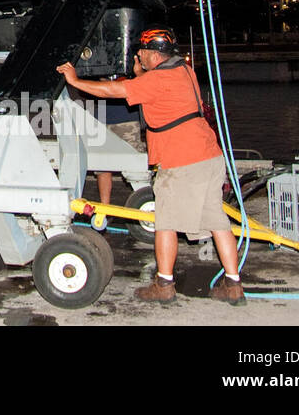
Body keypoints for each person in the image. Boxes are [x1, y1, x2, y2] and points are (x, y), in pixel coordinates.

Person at [58, 27, 244, 305]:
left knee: (165, 223)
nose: (138, 56)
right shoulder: (183, 71)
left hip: (182, 160)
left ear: (153, 54)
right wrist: (140, 73)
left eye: (141, 53)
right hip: (208, 155)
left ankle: (164, 284)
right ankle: (233, 284)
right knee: (217, 221)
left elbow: (114, 89)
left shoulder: (156, 80)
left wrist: (75, 80)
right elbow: (152, 88)